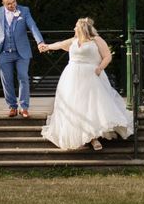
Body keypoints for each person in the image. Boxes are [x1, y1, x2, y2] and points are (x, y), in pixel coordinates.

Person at [40, 17, 134, 150]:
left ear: (82, 28)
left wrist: (100, 68)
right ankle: (85, 136)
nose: (73, 29)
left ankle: (93, 137)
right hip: (72, 78)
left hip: (91, 76)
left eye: (75, 26)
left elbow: (107, 56)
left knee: (91, 106)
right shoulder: (74, 40)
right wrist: (47, 47)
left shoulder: (96, 40)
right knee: (76, 106)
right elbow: (60, 44)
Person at [0, 0, 45, 118]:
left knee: (23, 77)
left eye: (14, 2)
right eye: (9, 4)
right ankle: (12, 106)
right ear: (3, 4)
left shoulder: (24, 11)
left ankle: (24, 107)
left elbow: (32, 26)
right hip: (3, 53)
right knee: (7, 81)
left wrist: (40, 41)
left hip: (21, 52)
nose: (12, 5)